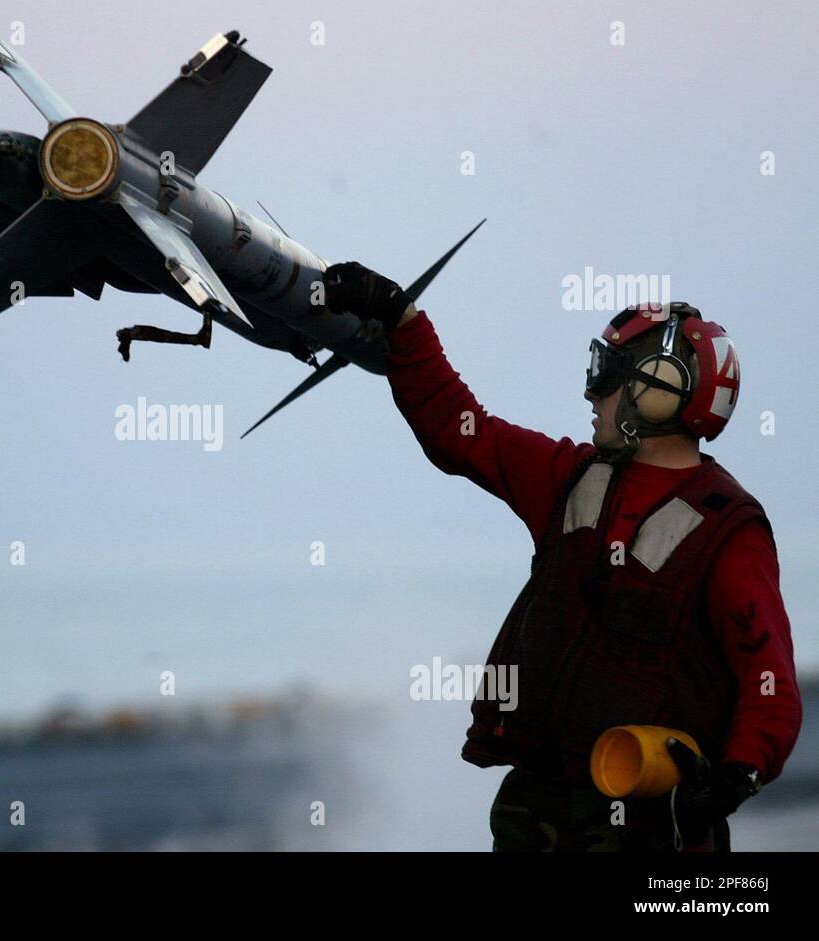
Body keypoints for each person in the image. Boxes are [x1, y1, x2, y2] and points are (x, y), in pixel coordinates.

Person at [323, 262, 802, 851]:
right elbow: (458, 430)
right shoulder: (570, 478)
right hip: (538, 815)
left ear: (659, 389)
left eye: (608, 373)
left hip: (652, 830)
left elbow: (768, 678)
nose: (590, 392)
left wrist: (736, 777)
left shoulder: (729, 532)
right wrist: (401, 318)